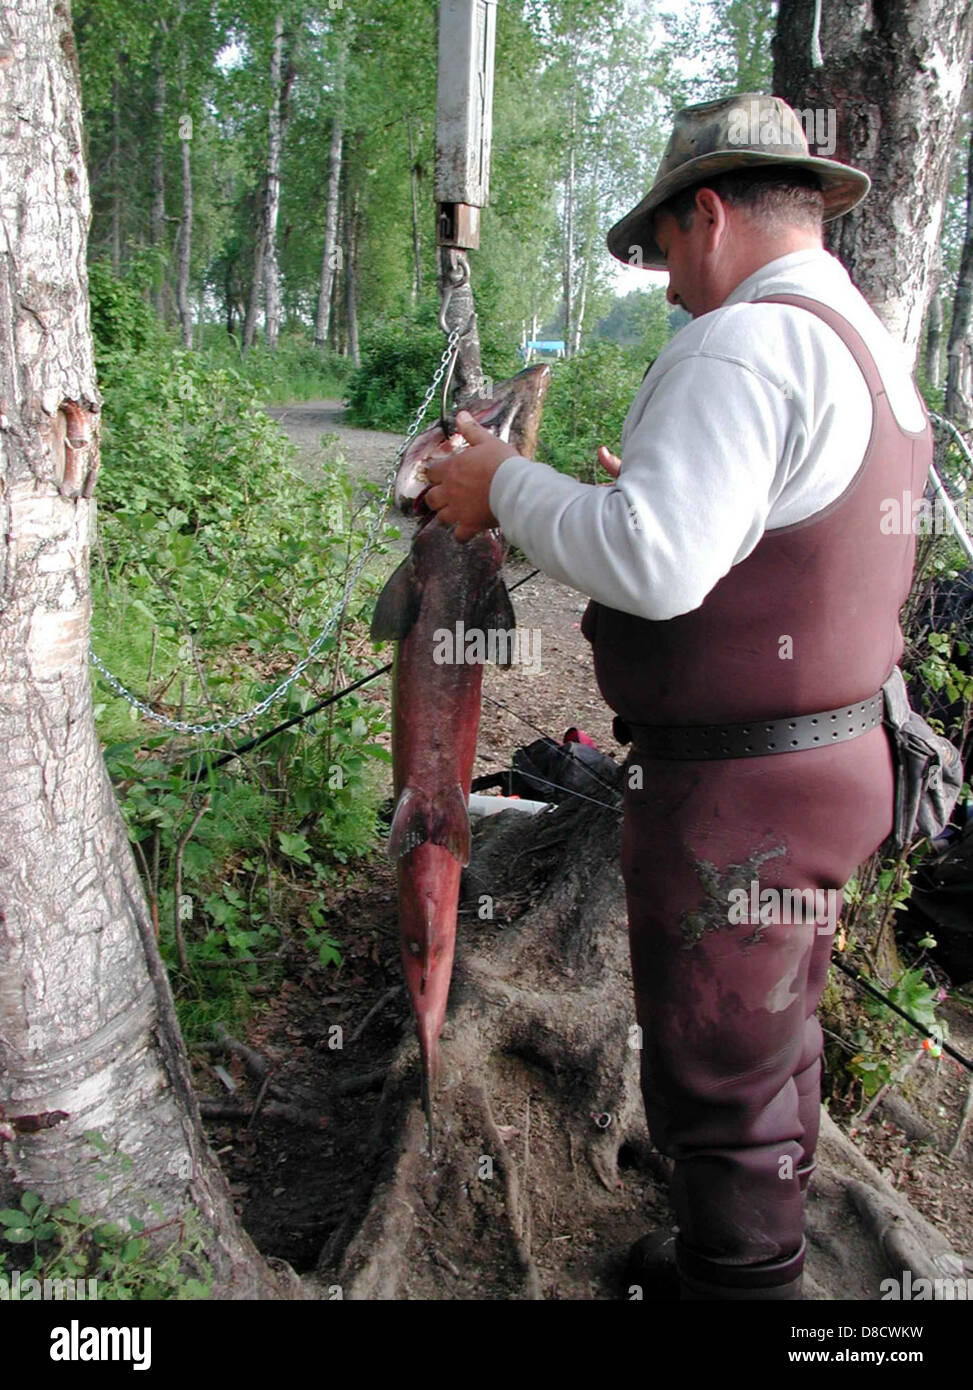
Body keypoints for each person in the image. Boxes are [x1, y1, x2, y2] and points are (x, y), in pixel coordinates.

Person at [424, 92, 932, 1301]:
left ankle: (741, 1283)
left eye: (661, 253)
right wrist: (635, 495)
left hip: (741, 782)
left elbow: (657, 562)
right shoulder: (856, 333)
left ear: (707, 211)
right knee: (771, 1027)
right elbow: (771, 532)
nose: (663, 286)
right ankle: (754, 1242)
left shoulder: (743, 341)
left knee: (715, 1050)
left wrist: (503, 482)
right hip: (833, 758)